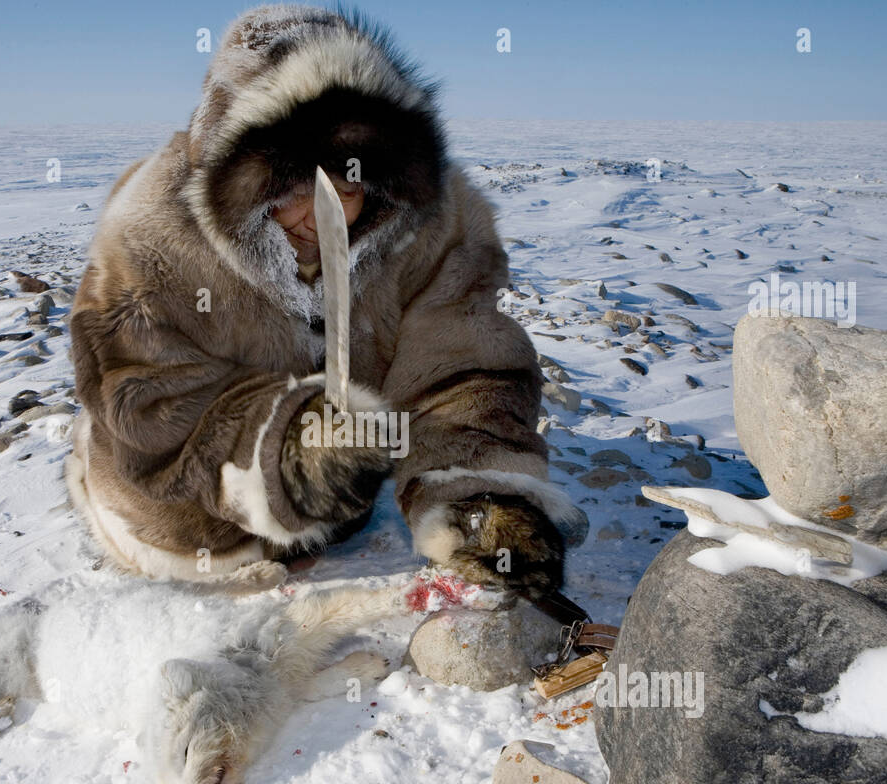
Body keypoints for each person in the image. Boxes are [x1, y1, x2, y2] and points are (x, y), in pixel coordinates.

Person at [66, 4, 586, 597]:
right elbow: (146, 396)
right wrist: (291, 455)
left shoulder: (426, 223)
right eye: (293, 192)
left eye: (347, 190)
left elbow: (461, 363)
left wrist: (478, 496)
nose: (321, 219)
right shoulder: (152, 232)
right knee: (180, 529)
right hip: (179, 517)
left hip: (344, 506)